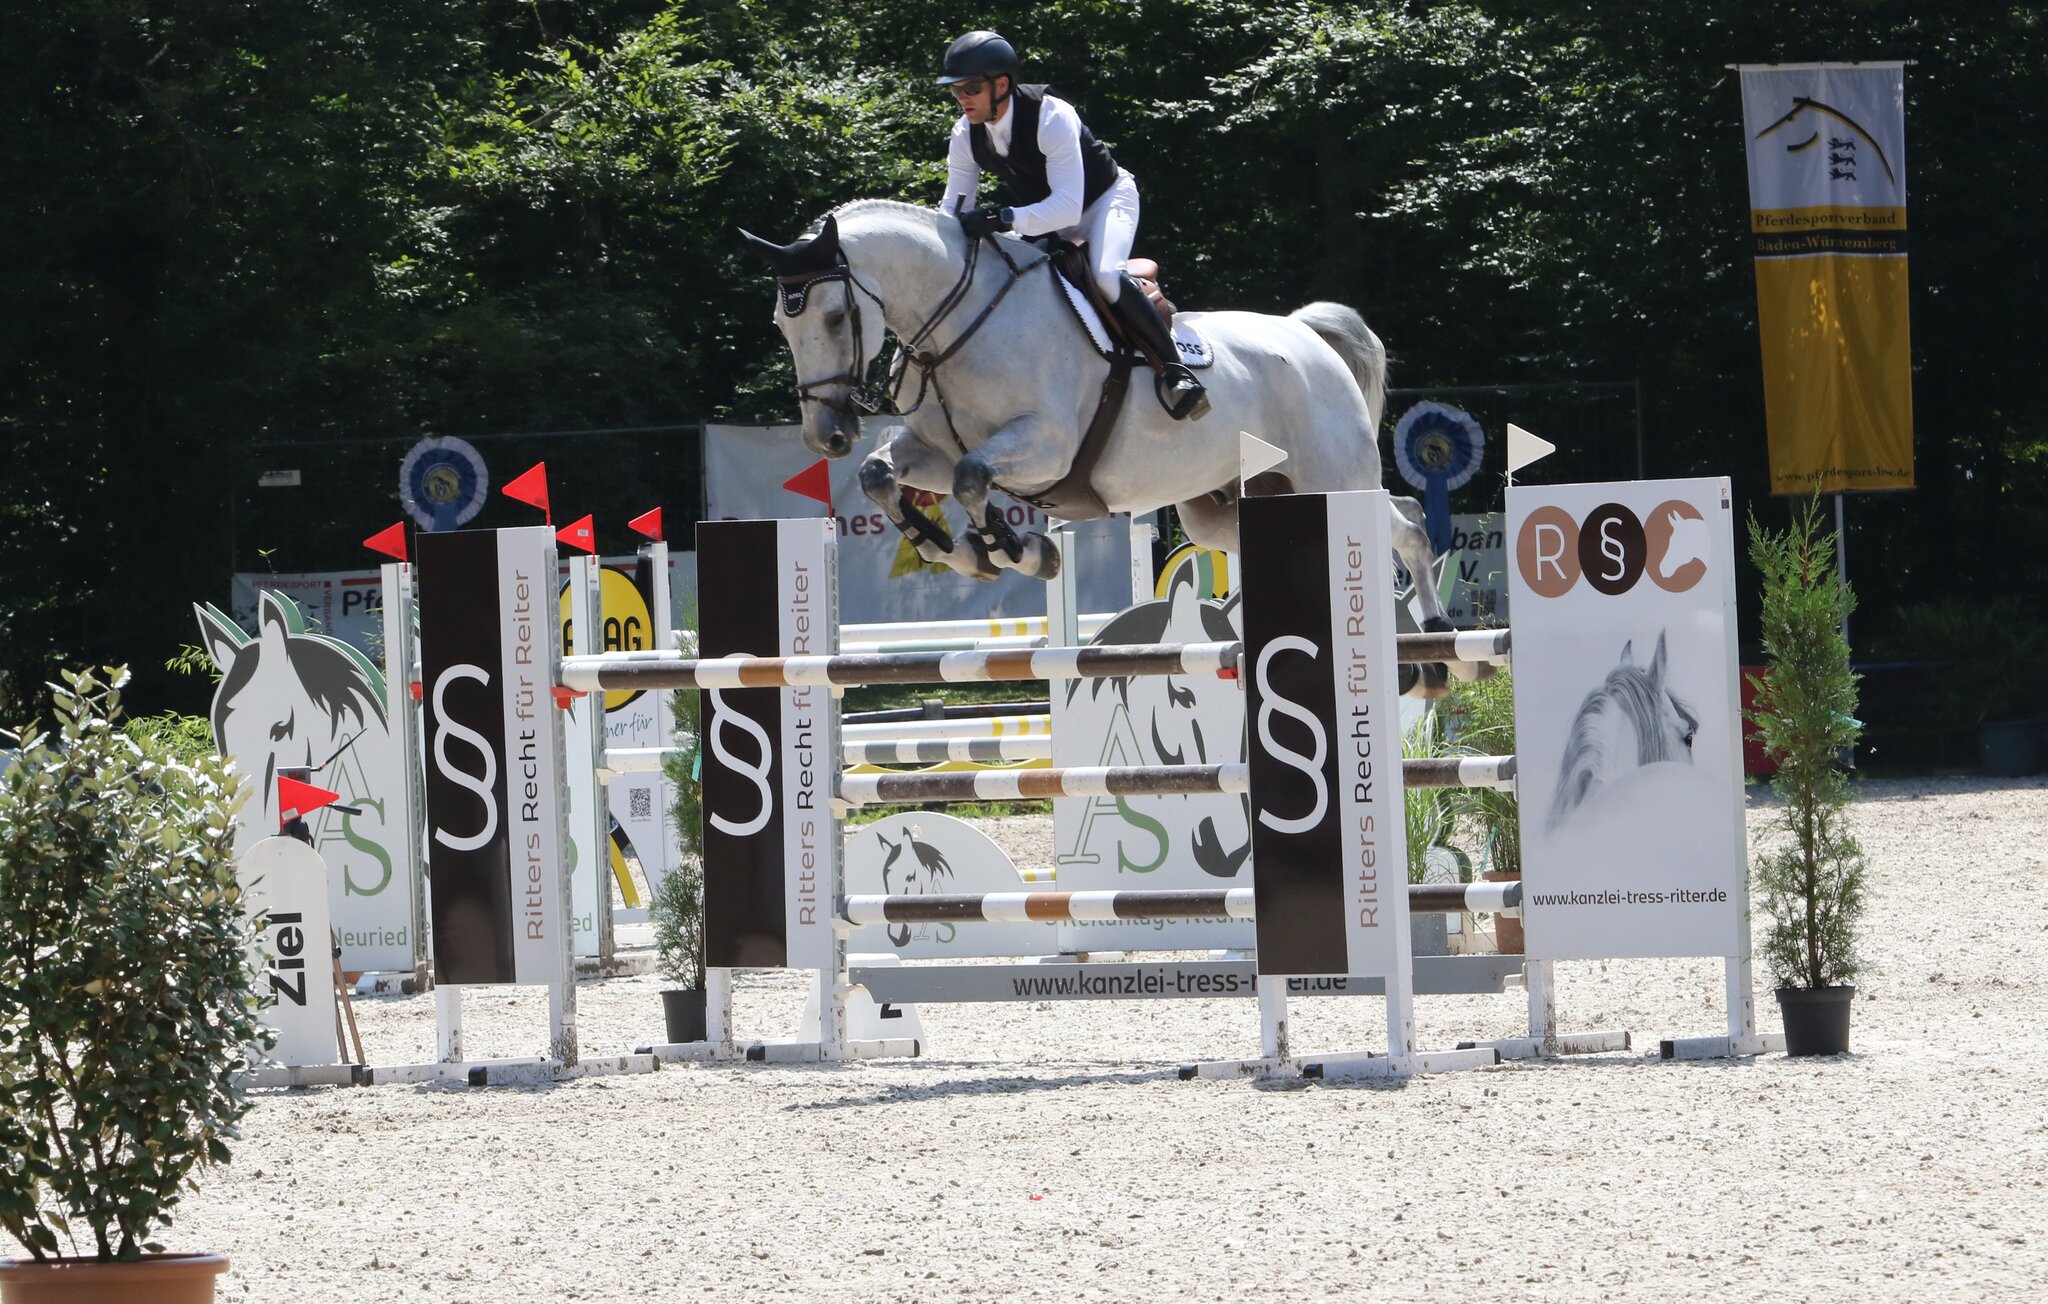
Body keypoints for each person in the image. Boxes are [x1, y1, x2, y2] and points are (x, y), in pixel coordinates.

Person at [937, 30, 1209, 421]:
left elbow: (1067, 209)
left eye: (971, 88)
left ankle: (1175, 372)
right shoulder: (965, 134)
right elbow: (953, 208)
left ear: (1001, 84)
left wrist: (1002, 218)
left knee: (1105, 276)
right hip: (1045, 216)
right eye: (955, 90)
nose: (962, 98)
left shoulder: (1051, 115)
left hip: (1103, 202)